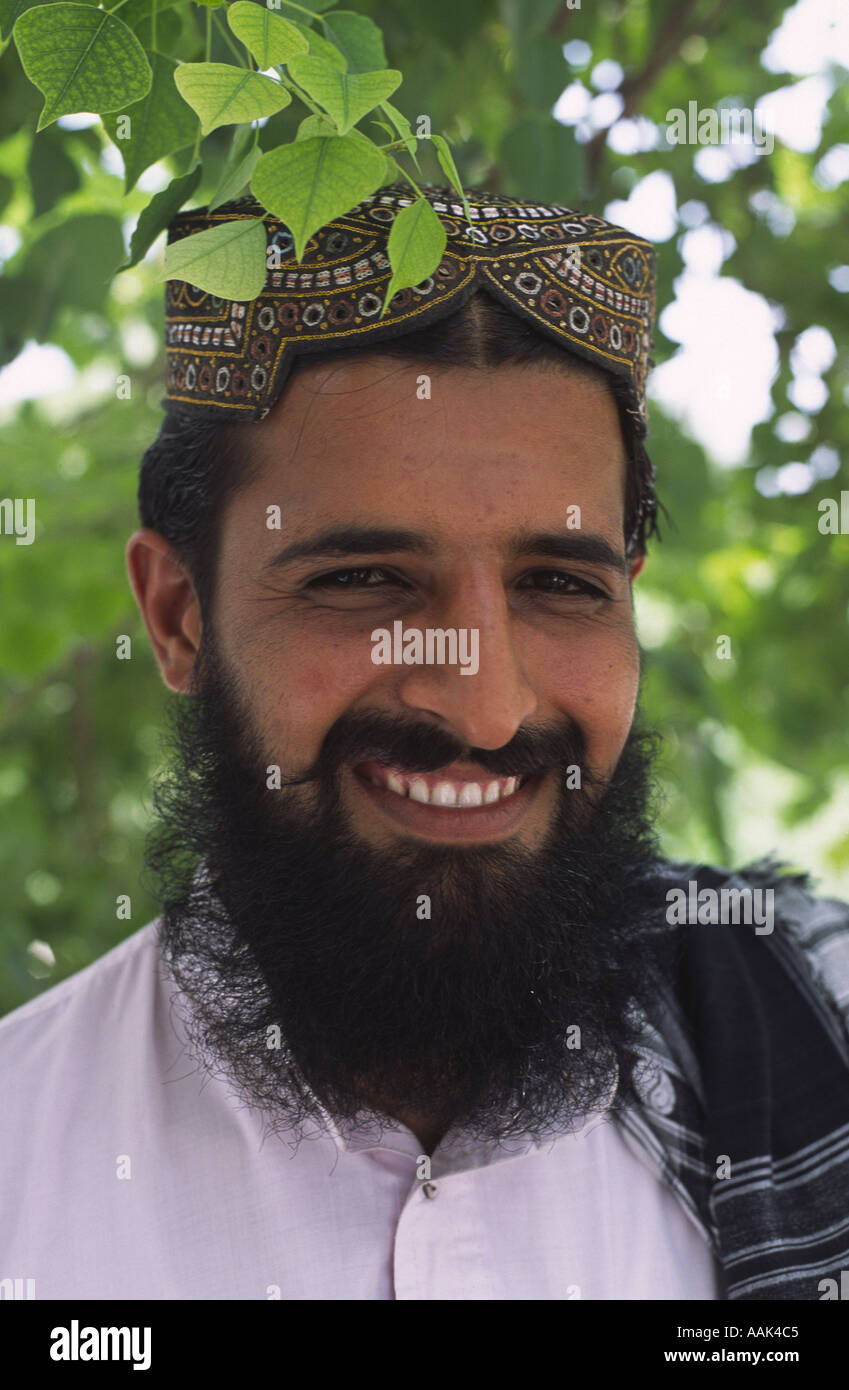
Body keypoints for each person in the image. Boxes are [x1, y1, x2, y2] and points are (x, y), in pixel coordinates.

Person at [2, 183, 848, 1301]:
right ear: (178, 616)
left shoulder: (811, 1020)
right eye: (362, 580)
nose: (485, 709)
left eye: (557, 584)